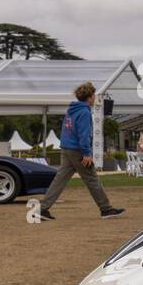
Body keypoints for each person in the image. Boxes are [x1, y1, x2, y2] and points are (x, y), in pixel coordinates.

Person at [38, 82, 124, 220]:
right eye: (93, 96)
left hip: (66, 149)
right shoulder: (84, 112)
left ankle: (42, 209)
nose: (95, 98)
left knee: (59, 180)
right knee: (92, 179)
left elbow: (67, 130)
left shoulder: (71, 110)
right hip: (78, 151)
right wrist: (86, 154)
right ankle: (106, 209)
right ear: (89, 97)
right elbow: (83, 135)